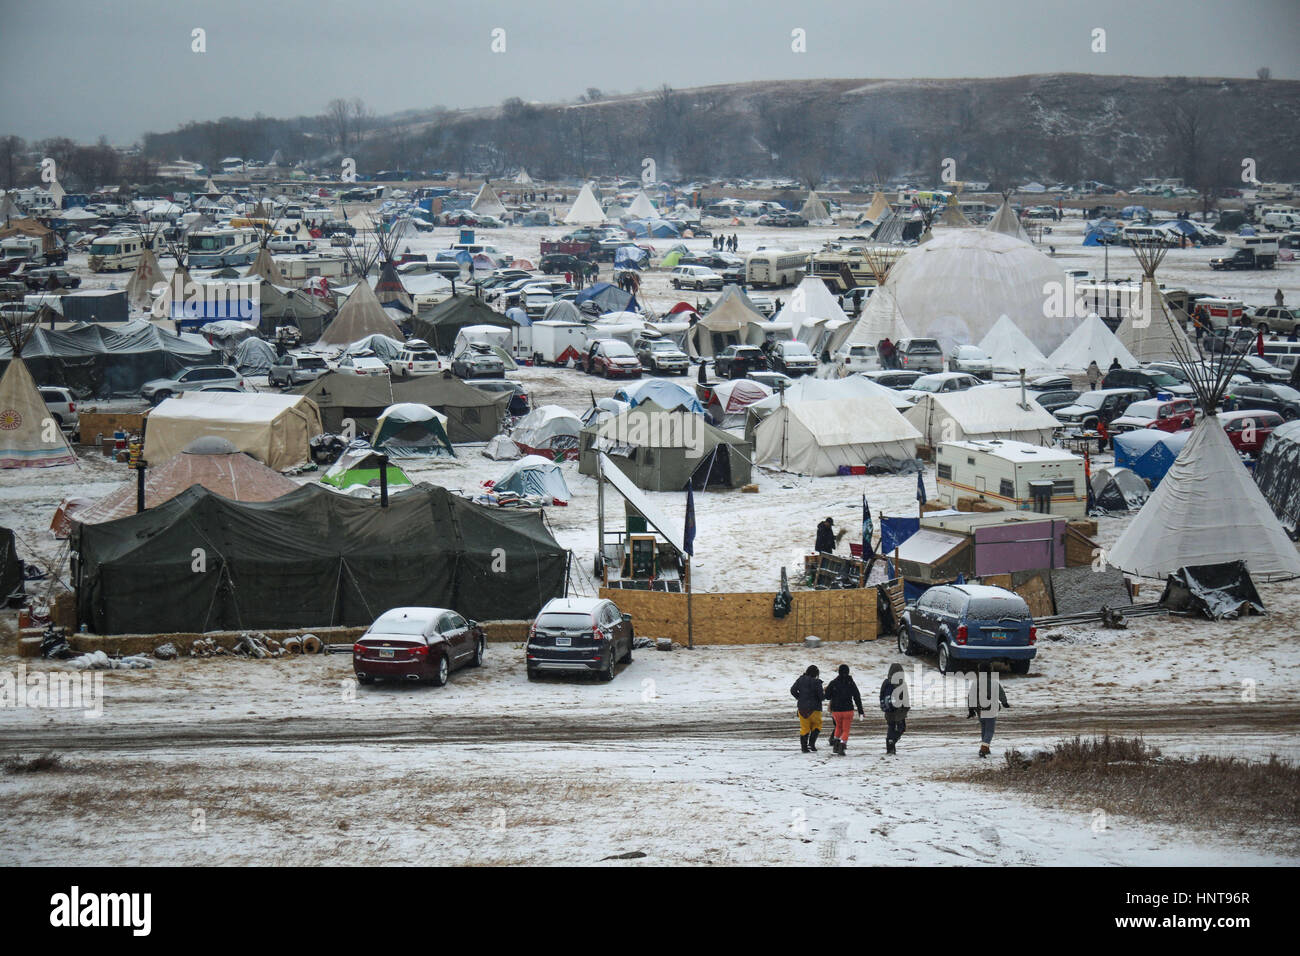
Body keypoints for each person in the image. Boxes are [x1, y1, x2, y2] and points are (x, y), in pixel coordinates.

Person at [967, 665, 1010, 758]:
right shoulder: (993, 682)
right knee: (989, 731)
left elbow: (971, 696)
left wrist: (971, 710)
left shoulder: (976, 683)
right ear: (991, 671)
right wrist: (1004, 702)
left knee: (984, 729)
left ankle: (986, 748)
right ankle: (983, 749)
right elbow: (1000, 693)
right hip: (991, 709)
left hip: (979, 709)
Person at [824, 664, 864, 756]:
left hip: (836, 711)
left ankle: (836, 745)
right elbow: (857, 697)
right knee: (845, 730)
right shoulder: (851, 683)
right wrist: (860, 711)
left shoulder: (833, 682)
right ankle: (842, 745)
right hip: (848, 710)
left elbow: (827, 696)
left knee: (838, 727)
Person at [790, 665, 825, 753]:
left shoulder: (800, 680)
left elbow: (793, 690)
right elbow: (821, 697)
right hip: (815, 709)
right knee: (817, 725)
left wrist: (800, 698)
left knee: (804, 728)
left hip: (802, 708)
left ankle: (804, 747)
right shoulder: (817, 682)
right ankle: (811, 744)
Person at [879, 662, 909, 755]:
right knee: (901, 728)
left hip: (888, 711)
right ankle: (891, 742)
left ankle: (890, 745)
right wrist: (906, 709)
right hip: (899, 711)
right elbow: (905, 698)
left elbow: (881, 695)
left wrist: (883, 705)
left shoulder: (885, 682)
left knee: (891, 726)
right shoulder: (902, 683)